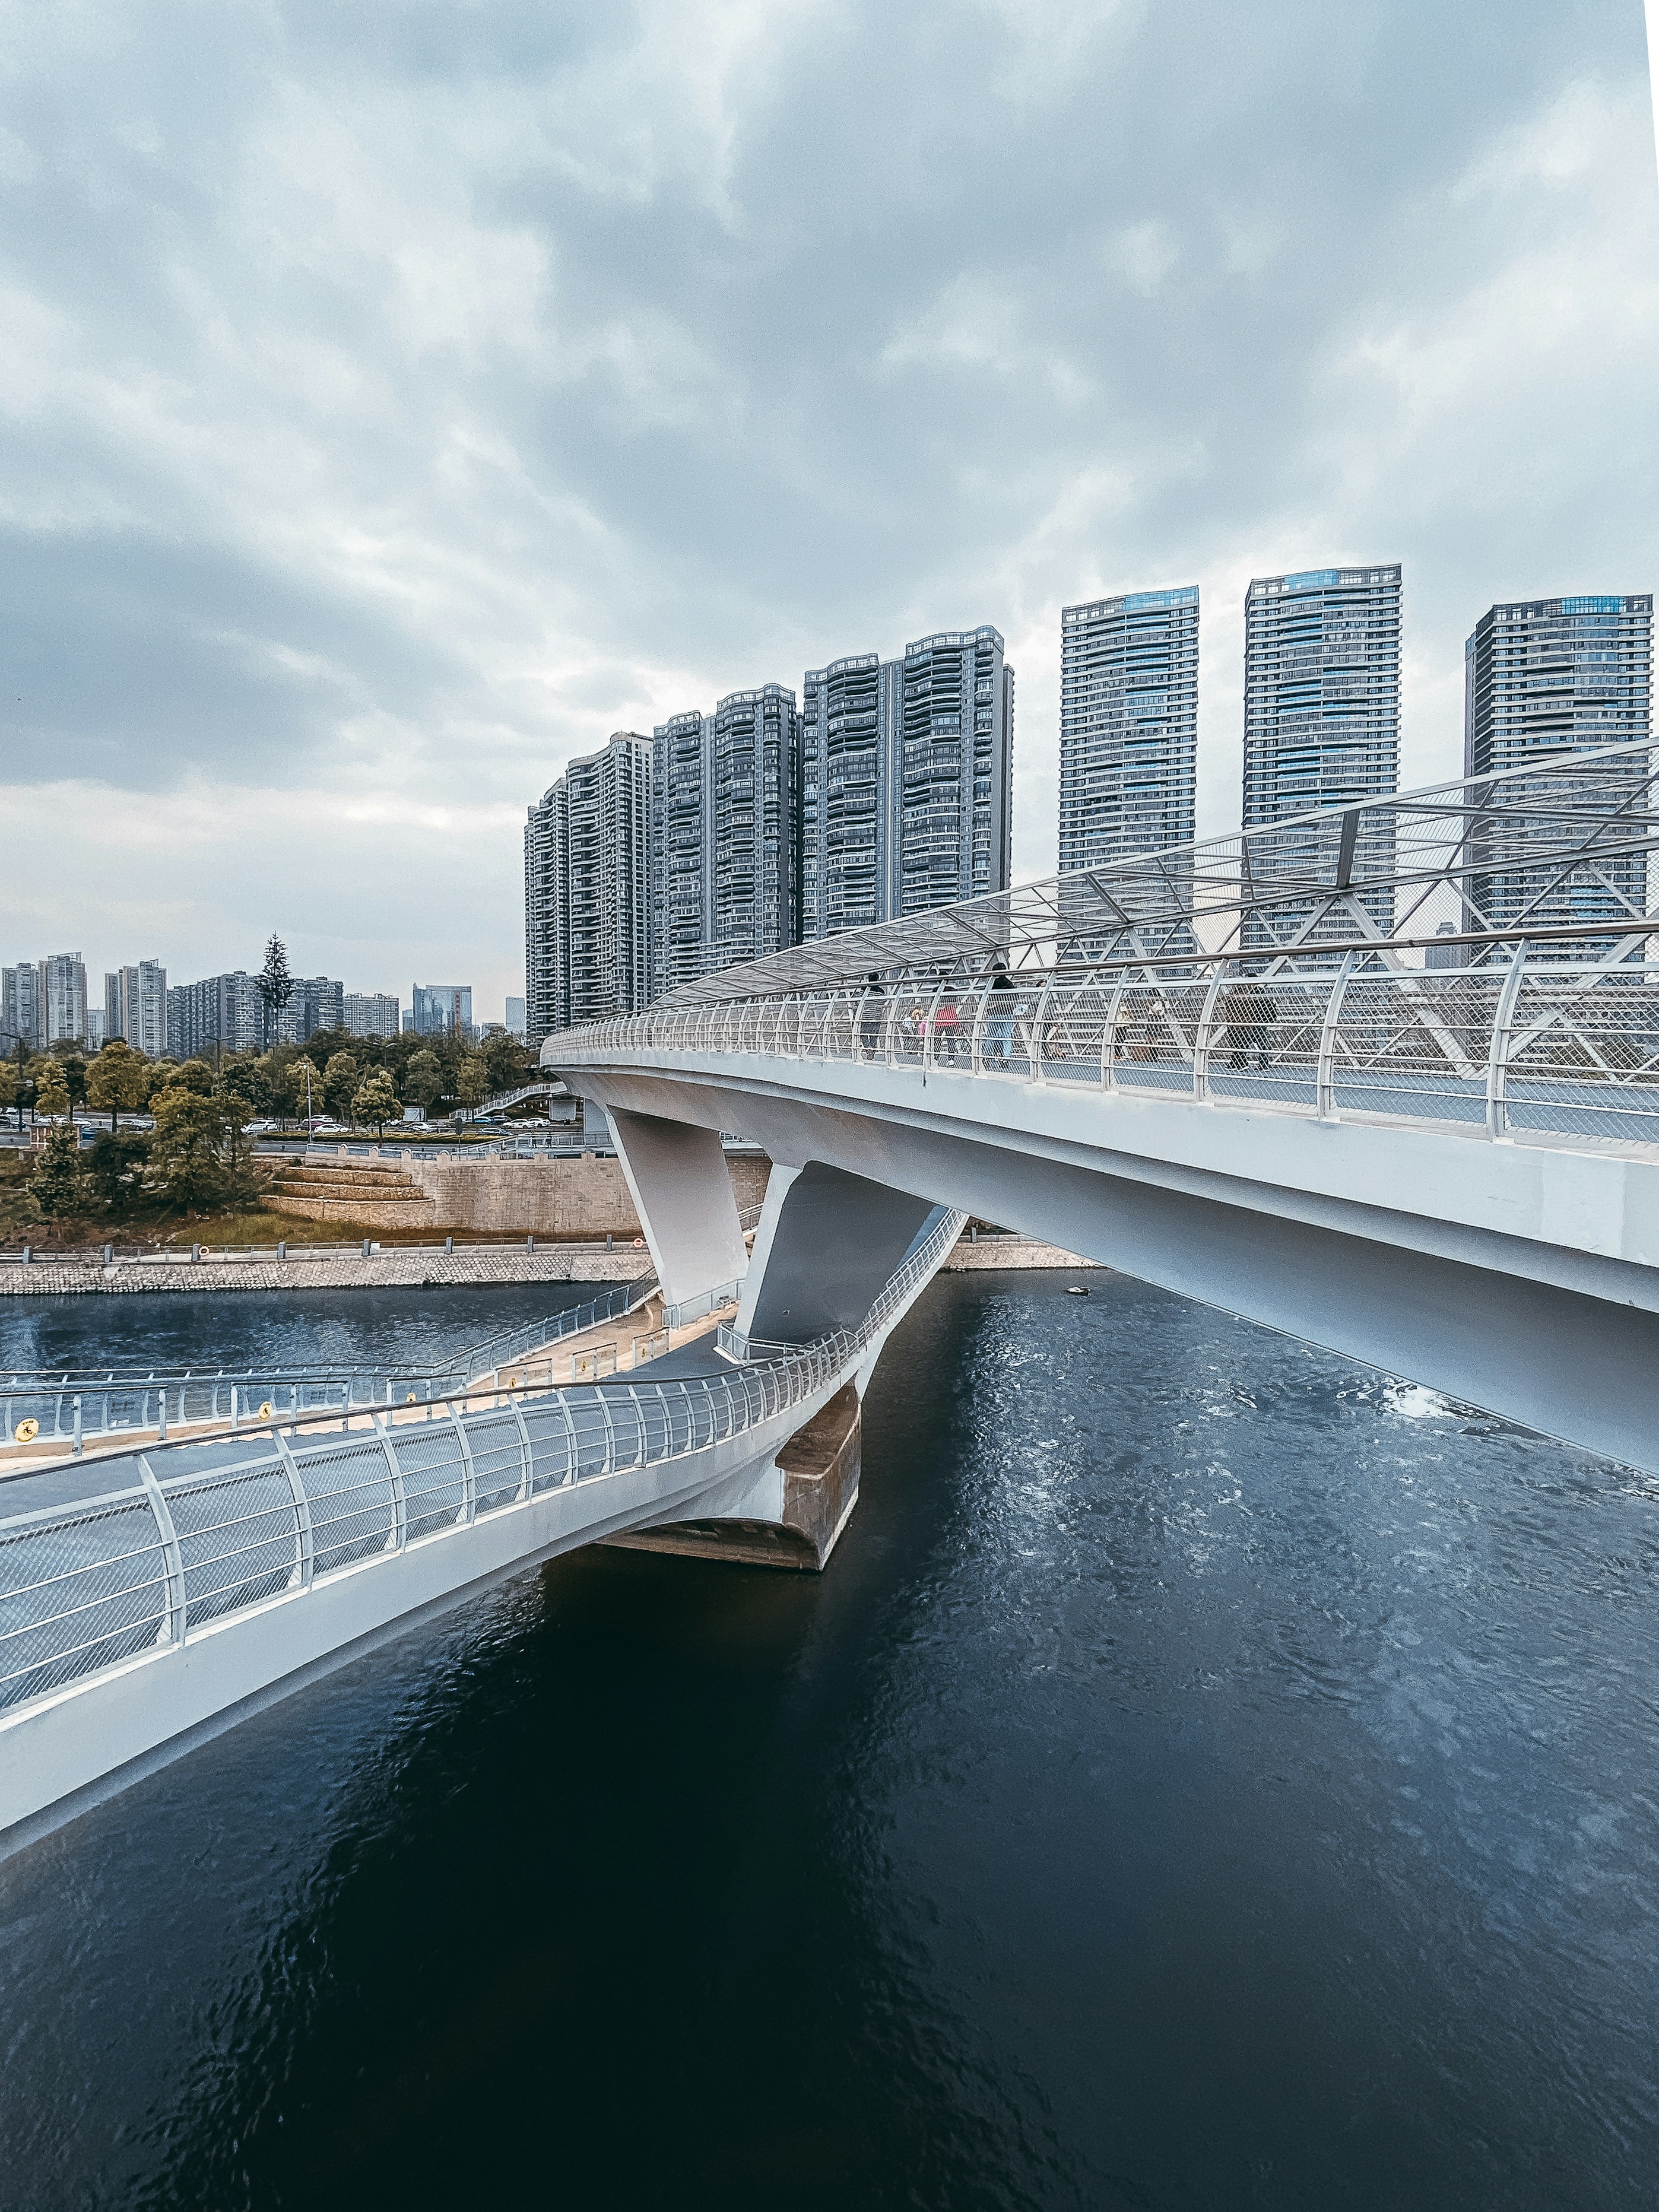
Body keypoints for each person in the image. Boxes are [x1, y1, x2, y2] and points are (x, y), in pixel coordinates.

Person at [1223, 979, 1279, 1072]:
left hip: (1248, 1024)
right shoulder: (1261, 994)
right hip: (1258, 1022)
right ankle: (1237, 1064)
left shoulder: (1247, 997)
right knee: (1257, 1044)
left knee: (1241, 1044)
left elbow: (1233, 1010)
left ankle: (1240, 1064)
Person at [985, 964, 1017, 1065]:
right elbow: (1016, 997)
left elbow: (987, 997)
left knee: (991, 1036)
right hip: (1008, 1014)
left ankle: (986, 1058)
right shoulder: (1009, 983)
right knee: (1007, 1037)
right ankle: (1006, 1058)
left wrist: (991, 1006)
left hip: (994, 1014)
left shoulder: (993, 984)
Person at [859, 972, 886, 1061]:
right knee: (874, 1036)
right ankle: (872, 1051)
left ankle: (868, 1049)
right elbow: (883, 1002)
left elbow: (859, 1000)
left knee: (862, 1035)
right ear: (877, 979)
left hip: (865, 1017)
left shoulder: (864, 989)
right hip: (876, 1017)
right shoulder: (881, 991)